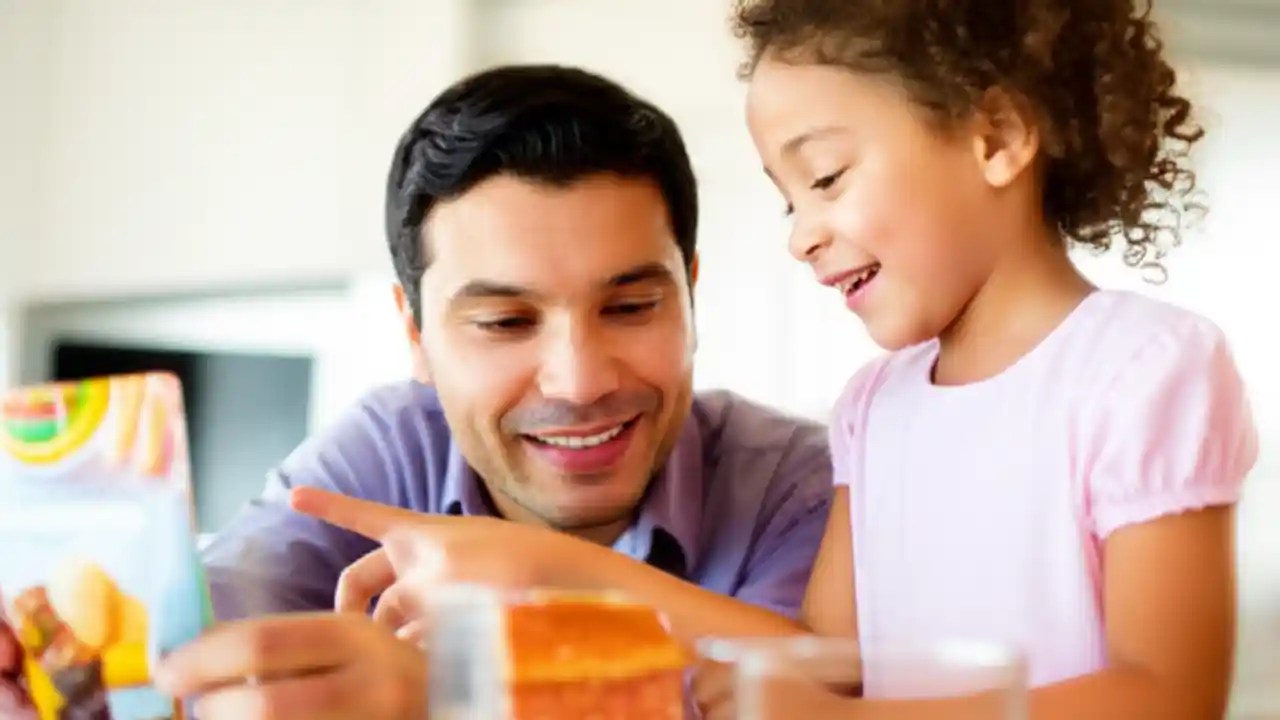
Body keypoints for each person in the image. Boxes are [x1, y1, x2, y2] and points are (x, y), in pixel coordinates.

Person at [155, 65, 831, 719]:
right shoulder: (385, 456)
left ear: (690, 295)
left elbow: (823, 701)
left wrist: (466, 683)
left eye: (630, 308)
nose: (580, 382)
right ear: (416, 333)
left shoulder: (804, 491)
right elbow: (172, 660)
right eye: (506, 322)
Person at [692, 0, 1260, 718]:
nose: (801, 238)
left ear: (997, 138)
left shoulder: (1141, 368)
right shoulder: (873, 407)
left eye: (827, 178)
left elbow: (1169, 697)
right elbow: (829, 665)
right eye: (789, 203)